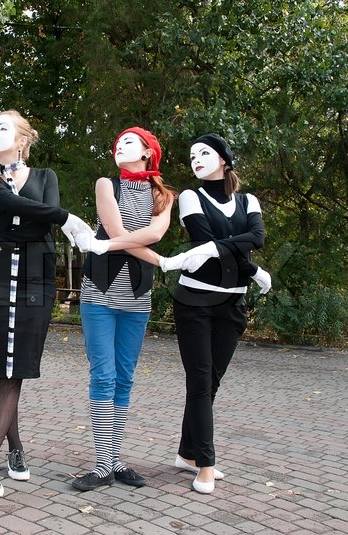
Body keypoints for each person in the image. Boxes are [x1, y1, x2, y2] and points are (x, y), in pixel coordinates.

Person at [0, 110, 93, 498]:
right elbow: (29, 217)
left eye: (2, 128)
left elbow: (36, 225)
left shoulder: (45, 178)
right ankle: (2, 455)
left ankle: (0, 454)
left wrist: (18, 225)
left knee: (15, 369)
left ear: (23, 139)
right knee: (2, 372)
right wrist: (63, 216)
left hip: (36, 284)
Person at [159, 133, 270, 494]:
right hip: (195, 302)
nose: (196, 159)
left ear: (225, 160)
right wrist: (253, 270)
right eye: (192, 155)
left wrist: (244, 265)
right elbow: (207, 245)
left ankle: (187, 453)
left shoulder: (248, 200)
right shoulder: (191, 197)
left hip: (232, 304)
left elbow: (257, 238)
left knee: (211, 383)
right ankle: (205, 466)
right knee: (200, 382)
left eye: (205, 153)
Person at [70, 127, 177, 491]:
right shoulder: (106, 185)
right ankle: (103, 466)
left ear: (148, 153)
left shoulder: (164, 196)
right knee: (104, 375)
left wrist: (151, 251)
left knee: (125, 378)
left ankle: (114, 459)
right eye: (117, 142)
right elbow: (117, 234)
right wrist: (162, 261)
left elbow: (153, 234)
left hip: (137, 299)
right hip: (98, 295)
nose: (119, 146)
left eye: (129, 142)